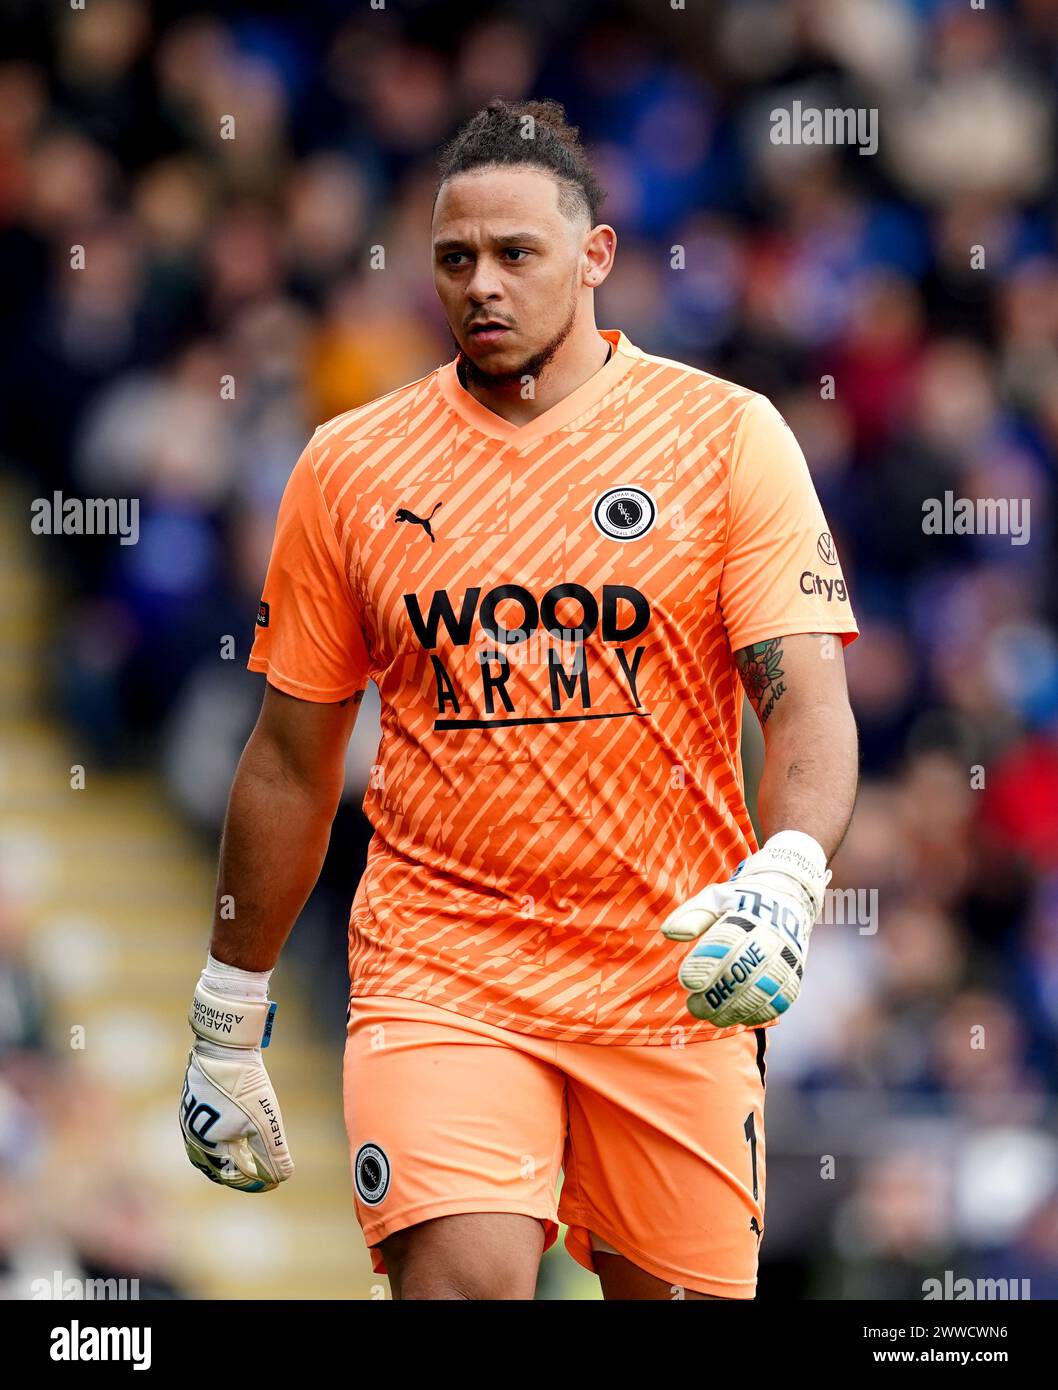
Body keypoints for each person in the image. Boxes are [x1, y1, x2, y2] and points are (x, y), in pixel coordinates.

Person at [179, 98, 859, 1301]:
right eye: (454, 260)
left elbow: (803, 696)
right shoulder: (350, 467)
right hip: (443, 966)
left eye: (514, 254)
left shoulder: (723, 438)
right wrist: (229, 1001)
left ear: (594, 256)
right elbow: (290, 758)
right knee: (462, 1280)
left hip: (671, 973)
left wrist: (788, 869)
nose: (480, 285)